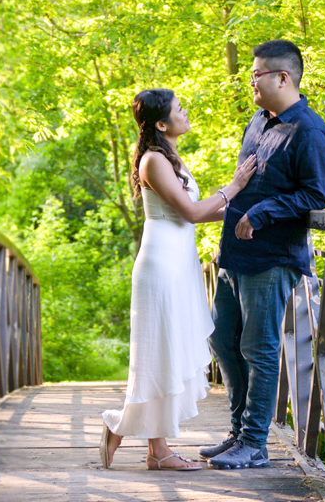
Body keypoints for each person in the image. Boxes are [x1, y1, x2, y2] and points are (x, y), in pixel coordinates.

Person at [100, 88, 257, 471]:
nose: (186, 113)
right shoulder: (153, 160)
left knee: (166, 354)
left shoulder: (168, 157)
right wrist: (234, 187)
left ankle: (152, 448)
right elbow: (191, 213)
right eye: (179, 109)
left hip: (178, 264)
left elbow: (199, 211)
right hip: (161, 268)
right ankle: (145, 441)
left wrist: (251, 212)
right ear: (160, 123)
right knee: (157, 355)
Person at [203, 39, 325, 470]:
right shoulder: (259, 122)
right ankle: (239, 431)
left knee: (258, 349)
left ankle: (254, 443)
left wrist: (263, 212)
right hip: (234, 254)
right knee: (221, 338)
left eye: (256, 75)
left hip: (272, 258)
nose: (251, 83)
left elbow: (316, 195)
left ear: (283, 77)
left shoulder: (310, 132)